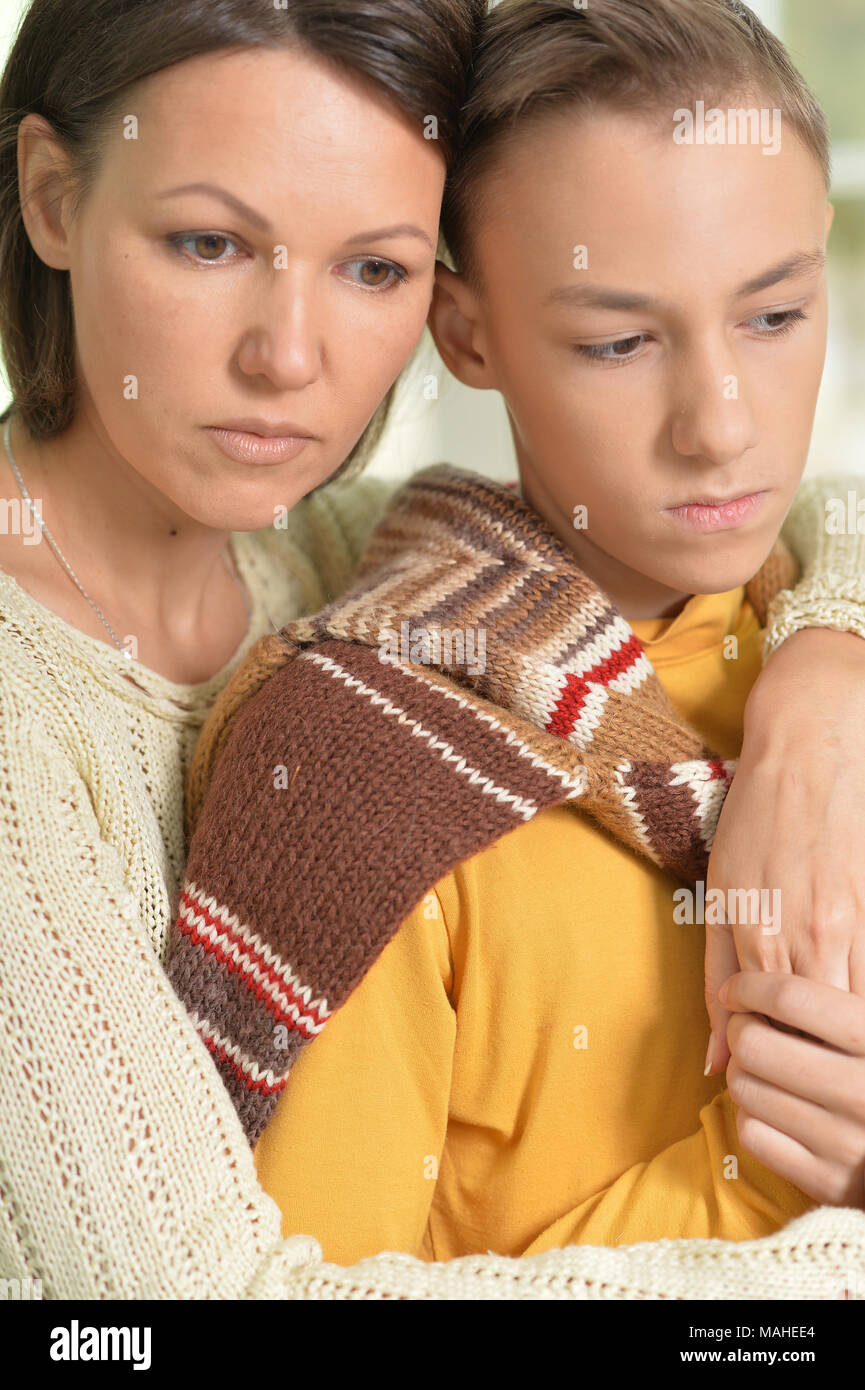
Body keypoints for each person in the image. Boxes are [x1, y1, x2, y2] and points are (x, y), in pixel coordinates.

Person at [0, 0, 863, 1302]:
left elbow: (815, 518)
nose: (289, 357)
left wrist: (819, 692)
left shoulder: (360, 557)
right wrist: (796, 1211)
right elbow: (189, 1310)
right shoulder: (50, 727)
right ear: (52, 199)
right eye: (207, 241)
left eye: (373, 267)